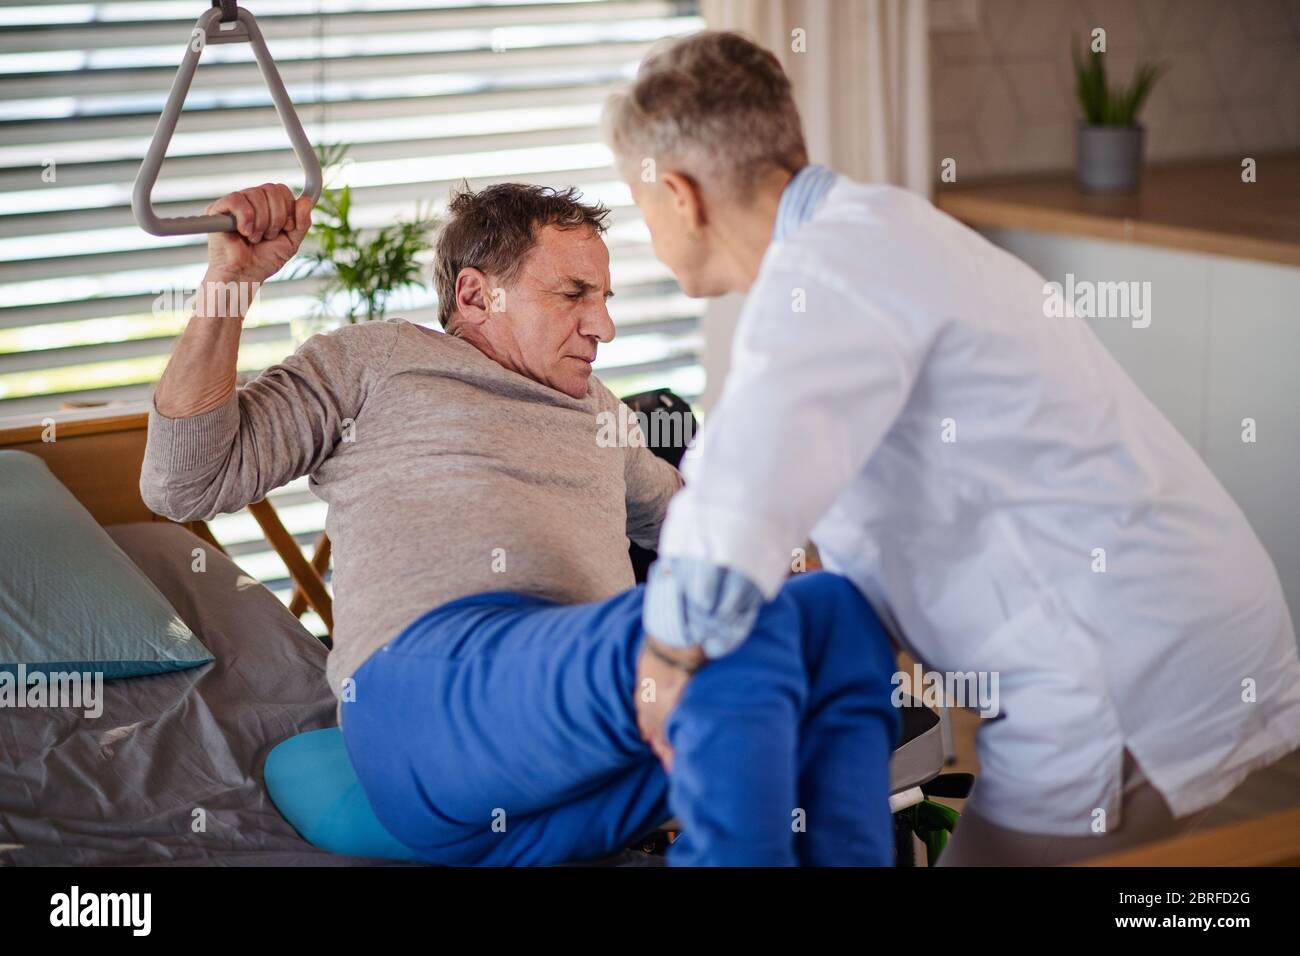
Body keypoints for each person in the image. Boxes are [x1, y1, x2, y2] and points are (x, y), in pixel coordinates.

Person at [604, 30, 1300, 865]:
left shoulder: (823, 278)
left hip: (1120, 666)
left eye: (636, 205)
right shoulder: (879, 226)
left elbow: (738, 501)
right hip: (1169, 622)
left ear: (678, 195)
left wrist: (667, 659)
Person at [140, 180, 900, 866]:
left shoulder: (599, 411)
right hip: (432, 698)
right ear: (476, 296)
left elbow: (692, 526)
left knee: (836, 618)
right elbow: (184, 481)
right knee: (704, 639)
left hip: (573, 770)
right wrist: (229, 283)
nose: (603, 325)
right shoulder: (376, 363)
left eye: (603, 296)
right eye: (573, 294)